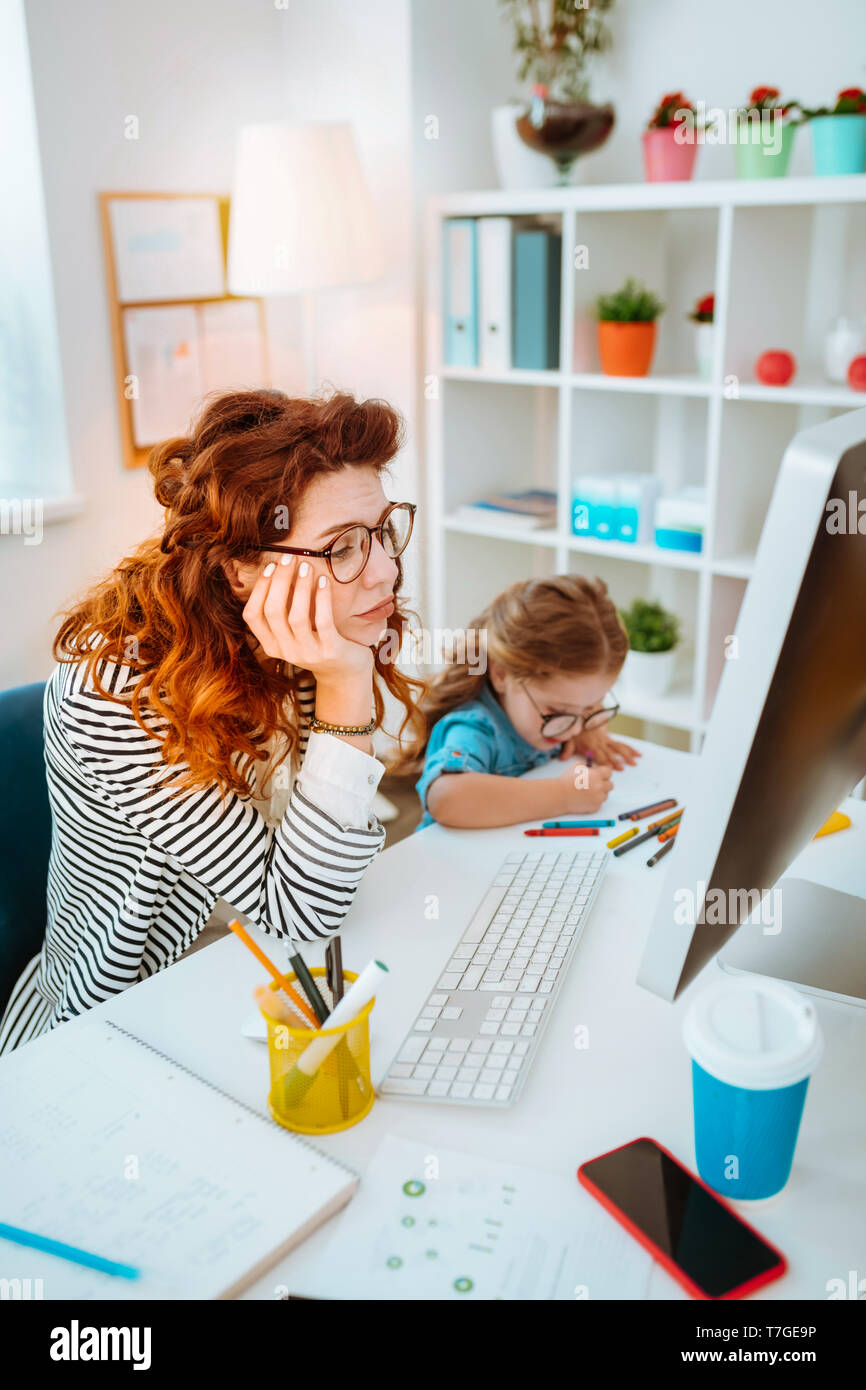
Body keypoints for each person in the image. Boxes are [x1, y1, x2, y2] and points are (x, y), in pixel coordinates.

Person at [0, 388, 424, 1053]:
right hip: (127, 1022)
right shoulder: (120, 693)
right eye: (342, 547)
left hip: (267, 978)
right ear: (239, 568)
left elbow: (317, 881)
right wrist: (345, 684)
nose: (387, 571)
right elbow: (302, 914)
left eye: (382, 531)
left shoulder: (298, 631)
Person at [407, 574, 639, 830]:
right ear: (502, 675)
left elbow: (580, 710)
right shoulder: (476, 728)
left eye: (589, 708)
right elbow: (446, 798)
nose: (573, 729)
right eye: (558, 711)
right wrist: (564, 795)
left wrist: (592, 728)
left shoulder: (557, 716)